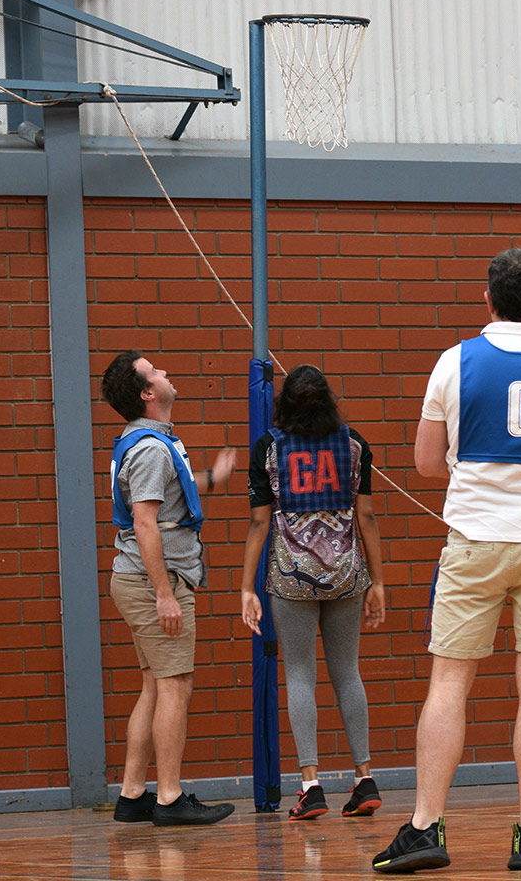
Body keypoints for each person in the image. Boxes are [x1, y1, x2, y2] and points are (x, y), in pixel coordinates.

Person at [371, 248, 521, 874]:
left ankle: (425, 828)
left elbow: (425, 462)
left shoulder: (454, 362)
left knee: (449, 683)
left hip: (475, 540)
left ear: (488, 298)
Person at [238, 364, 387, 821]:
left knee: (300, 675)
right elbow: (366, 517)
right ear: (328, 400)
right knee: (348, 673)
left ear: (283, 404)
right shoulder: (354, 444)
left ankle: (311, 784)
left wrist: (246, 586)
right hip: (346, 574)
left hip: (290, 578)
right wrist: (378, 580)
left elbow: (260, 522)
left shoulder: (268, 449)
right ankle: (364, 778)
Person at [101, 350, 239, 826]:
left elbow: (162, 500)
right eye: (155, 370)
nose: (165, 371)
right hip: (152, 581)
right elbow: (144, 522)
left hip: (139, 579)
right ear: (147, 393)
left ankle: (133, 793)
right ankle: (169, 798)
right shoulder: (152, 449)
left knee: (154, 686)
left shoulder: (149, 443)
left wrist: (212, 480)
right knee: (176, 685)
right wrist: (163, 593)